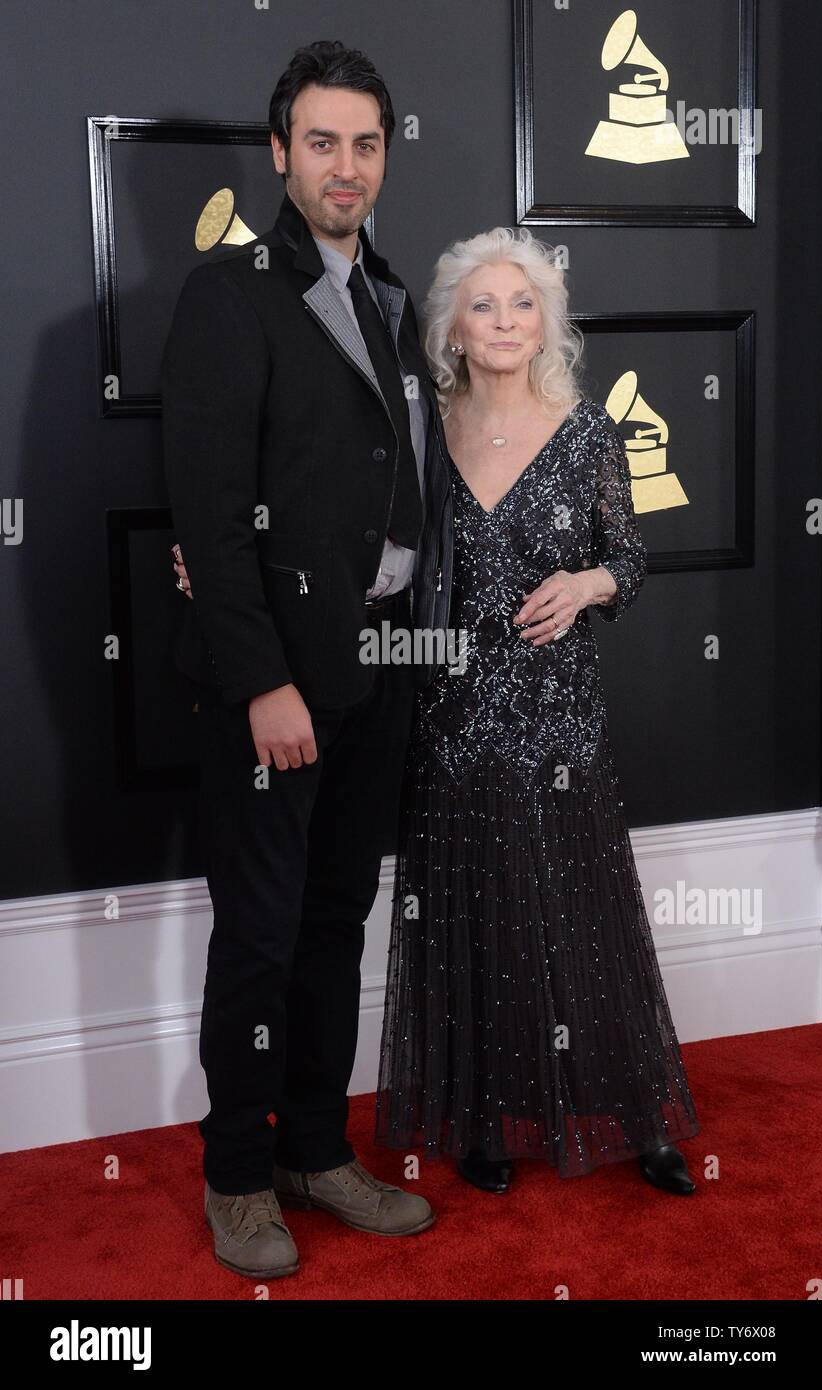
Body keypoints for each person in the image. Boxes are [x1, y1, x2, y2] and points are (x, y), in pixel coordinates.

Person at [162, 40, 454, 1280]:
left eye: (367, 144)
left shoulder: (396, 301)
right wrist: (261, 679)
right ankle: (237, 1173)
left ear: (388, 156)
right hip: (280, 681)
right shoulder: (229, 298)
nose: (346, 166)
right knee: (265, 931)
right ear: (280, 153)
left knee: (339, 918)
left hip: (384, 665)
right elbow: (211, 515)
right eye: (322, 142)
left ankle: (316, 1148)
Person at [372, 227, 701, 1196]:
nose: (505, 321)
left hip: (559, 715)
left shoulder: (590, 428)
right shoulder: (424, 425)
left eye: (523, 304)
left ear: (545, 322)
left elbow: (630, 558)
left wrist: (590, 581)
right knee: (473, 916)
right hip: (454, 714)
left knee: (585, 922)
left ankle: (642, 1118)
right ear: (453, 328)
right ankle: (480, 1116)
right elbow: (372, 545)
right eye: (485, 305)